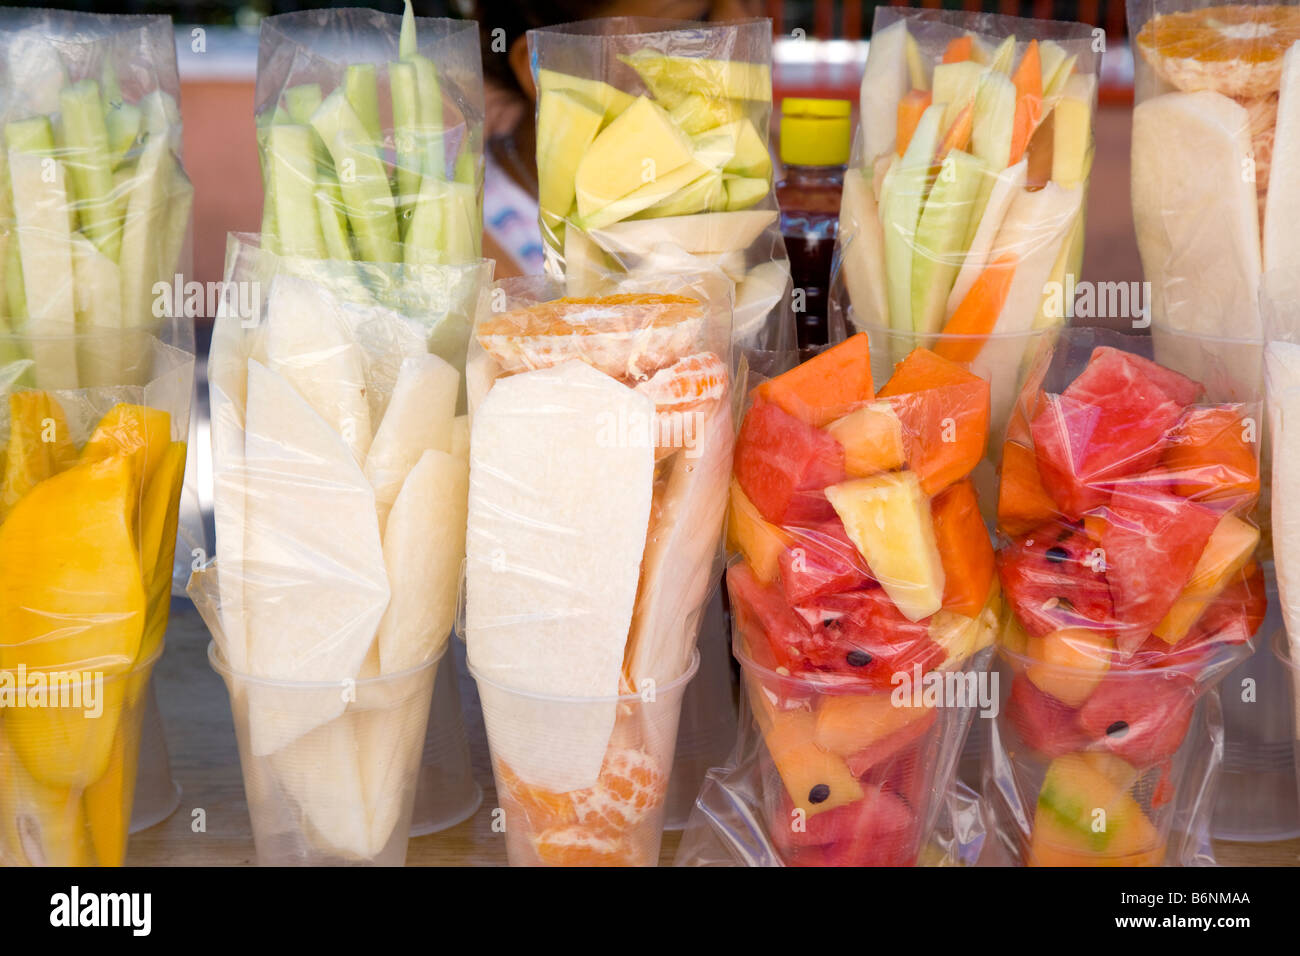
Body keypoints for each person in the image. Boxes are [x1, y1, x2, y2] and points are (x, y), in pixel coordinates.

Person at [473, 0, 763, 276]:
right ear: (545, 65)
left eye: (752, 4)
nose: (747, 46)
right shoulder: (476, 247)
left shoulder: (760, 174)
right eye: (696, 23)